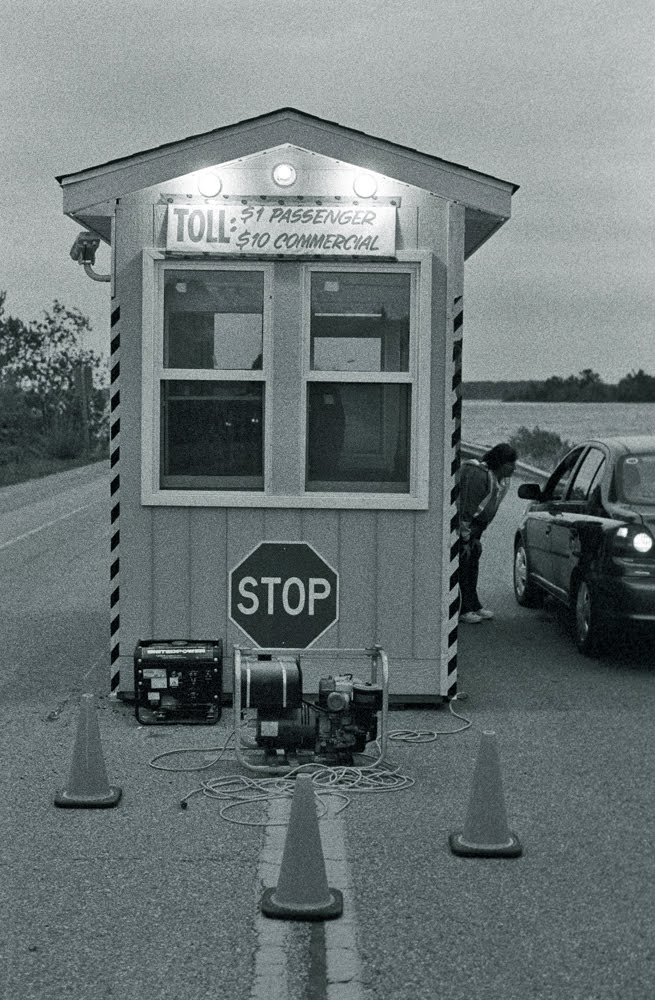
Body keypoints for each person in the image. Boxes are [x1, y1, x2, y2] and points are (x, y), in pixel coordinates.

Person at [458, 442, 517, 623]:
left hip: (477, 529)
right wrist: (465, 537)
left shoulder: (500, 481)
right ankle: (464, 608)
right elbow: (466, 507)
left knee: (472, 563)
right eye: (510, 463)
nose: (514, 468)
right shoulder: (479, 475)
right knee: (464, 565)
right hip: (466, 528)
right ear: (500, 463)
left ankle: (473, 604)